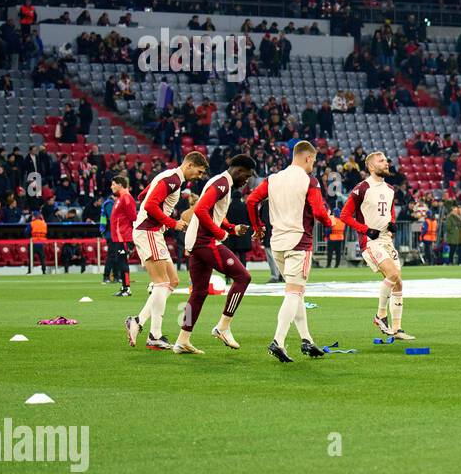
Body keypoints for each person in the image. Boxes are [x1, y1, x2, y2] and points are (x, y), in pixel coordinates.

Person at [246, 141, 335, 362]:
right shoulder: (309, 181)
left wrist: (258, 227)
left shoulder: (273, 179)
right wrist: (329, 221)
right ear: (307, 158)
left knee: (297, 293)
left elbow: (251, 200)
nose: (313, 165)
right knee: (293, 293)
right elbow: (318, 210)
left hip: (277, 242)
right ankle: (278, 340)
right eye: (313, 160)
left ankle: (307, 340)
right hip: (299, 242)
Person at [124, 151, 208, 350]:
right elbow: (151, 204)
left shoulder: (167, 176)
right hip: (149, 231)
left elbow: (144, 195)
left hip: (152, 231)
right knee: (161, 283)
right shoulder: (172, 180)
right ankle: (155, 334)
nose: (199, 176)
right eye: (199, 171)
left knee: (172, 281)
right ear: (189, 165)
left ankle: (138, 321)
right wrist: (172, 222)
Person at [175, 155, 256, 354]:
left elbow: (212, 213)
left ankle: (182, 339)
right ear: (238, 170)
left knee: (199, 292)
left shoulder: (220, 182)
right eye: (247, 176)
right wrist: (220, 232)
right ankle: (223, 326)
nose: (247, 181)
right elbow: (201, 210)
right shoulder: (222, 184)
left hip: (196, 241)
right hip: (205, 241)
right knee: (243, 277)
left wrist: (231, 227)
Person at [341, 151, 413, 341]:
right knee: (393, 274)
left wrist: (392, 223)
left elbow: (389, 212)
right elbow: (345, 215)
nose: (386, 163)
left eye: (386, 160)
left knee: (398, 283)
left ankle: (397, 329)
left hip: (386, 240)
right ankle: (380, 315)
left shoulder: (390, 189)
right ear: (371, 167)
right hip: (371, 241)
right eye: (381, 161)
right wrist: (365, 229)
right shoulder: (361, 188)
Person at [108, 174, 137, 296]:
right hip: (118, 237)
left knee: (123, 262)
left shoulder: (126, 198)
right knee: (120, 262)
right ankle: (124, 287)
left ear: (120, 185)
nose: (111, 187)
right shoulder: (120, 198)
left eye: (113, 184)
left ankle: (127, 288)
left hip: (124, 237)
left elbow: (133, 217)